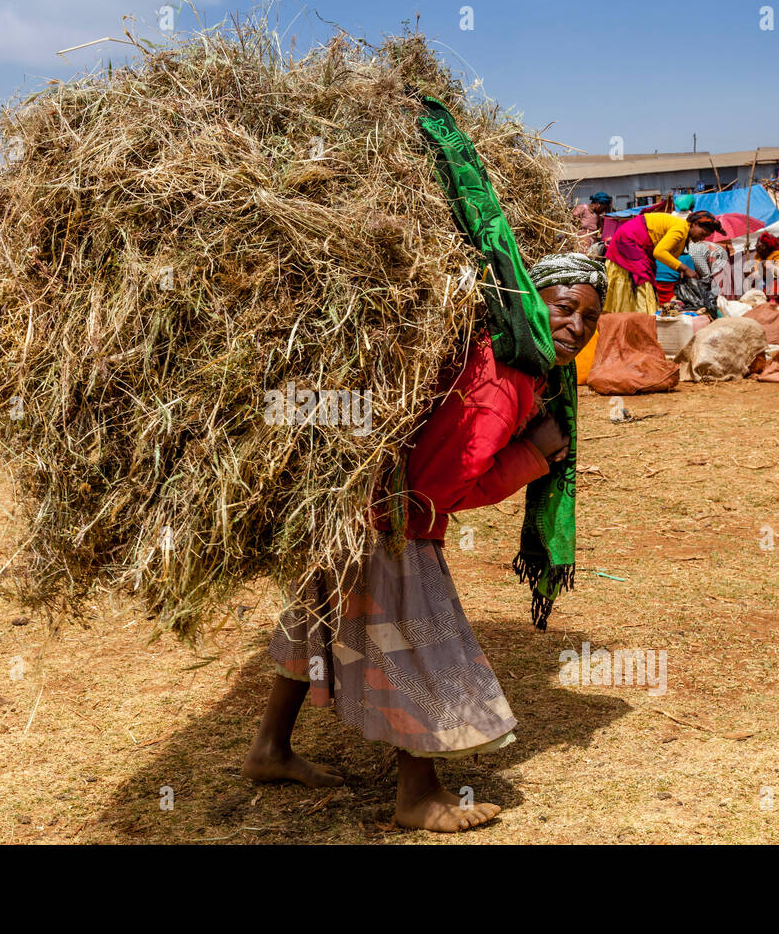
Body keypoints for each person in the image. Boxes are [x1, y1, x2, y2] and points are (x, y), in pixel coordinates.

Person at [247, 254, 604, 832]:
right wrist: (534, 457)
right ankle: (418, 794)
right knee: (417, 645)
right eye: (563, 308)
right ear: (527, 301)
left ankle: (269, 748)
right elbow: (435, 490)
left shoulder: (486, 347)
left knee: (316, 624)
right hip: (394, 527)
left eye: (590, 317)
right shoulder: (506, 379)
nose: (576, 327)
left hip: (347, 503)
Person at [604, 209, 722, 314]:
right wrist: (684, 268)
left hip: (635, 242)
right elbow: (659, 252)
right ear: (694, 224)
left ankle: (634, 315)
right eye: (702, 234)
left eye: (705, 237)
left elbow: (669, 255)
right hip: (629, 240)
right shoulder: (680, 229)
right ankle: (642, 317)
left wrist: (680, 269)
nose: (702, 239)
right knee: (642, 278)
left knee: (643, 278)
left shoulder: (684, 232)